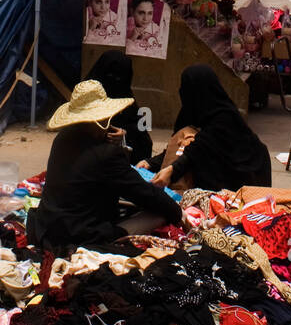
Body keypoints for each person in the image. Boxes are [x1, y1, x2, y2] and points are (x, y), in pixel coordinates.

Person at [26, 80, 179, 249]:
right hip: (78, 235)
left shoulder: (63, 138)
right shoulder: (107, 154)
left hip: (46, 227)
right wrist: (178, 212)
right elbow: (142, 193)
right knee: (158, 214)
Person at [150, 64, 273, 192]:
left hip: (245, 180)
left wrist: (171, 170)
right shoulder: (195, 111)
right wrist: (151, 163)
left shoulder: (224, 117)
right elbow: (177, 149)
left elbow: (198, 148)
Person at [85, 52, 152, 165]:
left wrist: (125, 135)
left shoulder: (129, 104)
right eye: (110, 76)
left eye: (120, 77)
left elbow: (144, 143)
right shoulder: (84, 99)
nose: (115, 81)